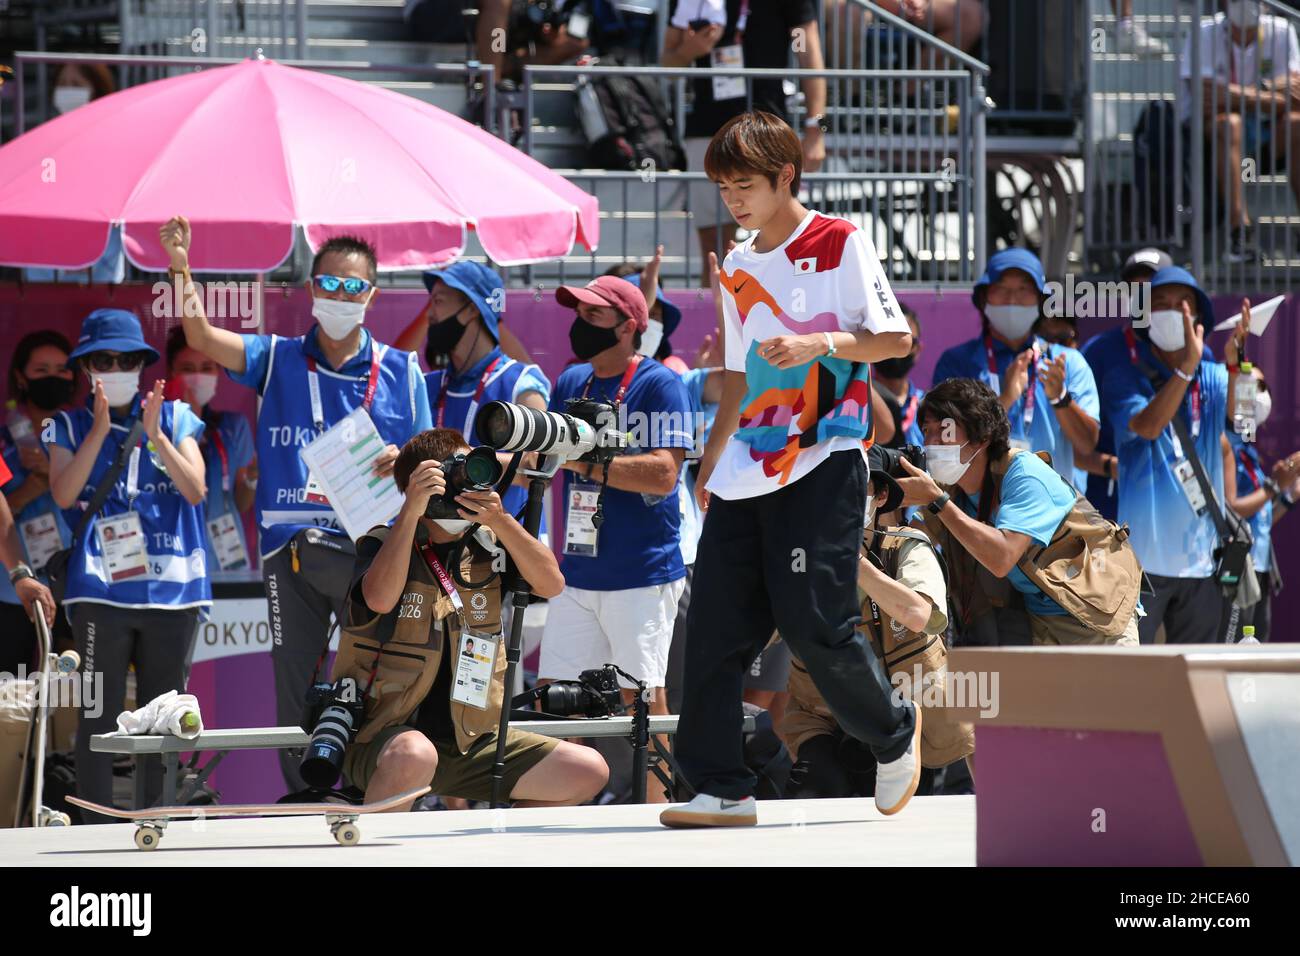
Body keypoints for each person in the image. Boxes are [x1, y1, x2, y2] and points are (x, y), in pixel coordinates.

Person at [664, 110, 920, 828]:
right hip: (749, 467)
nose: (734, 200)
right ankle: (721, 786)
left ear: (787, 177)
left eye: (744, 185)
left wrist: (821, 344)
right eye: (722, 188)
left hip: (825, 461)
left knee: (816, 625)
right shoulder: (738, 264)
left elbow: (894, 338)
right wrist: (712, 466)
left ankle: (894, 731)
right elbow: (740, 377)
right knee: (713, 632)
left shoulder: (840, 241)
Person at [161, 216, 433, 792]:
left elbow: (433, 458)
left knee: (377, 679)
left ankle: (369, 790)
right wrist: (182, 266)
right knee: (296, 682)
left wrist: (402, 458)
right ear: (312, 290)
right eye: (328, 284)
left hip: (374, 549)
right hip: (295, 550)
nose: (339, 295)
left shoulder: (404, 371)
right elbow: (202, 337)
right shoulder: (279, 356)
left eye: (351, 286)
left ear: (371, 295)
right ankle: (306, 794)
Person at [336, 427, 608, 810]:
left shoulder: (487, 542)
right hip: (385, 739)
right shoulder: (384, 543)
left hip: (470, 741)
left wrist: (499, 520)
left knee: (585, 769)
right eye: (455, 471)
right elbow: (379, 599)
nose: (468, 479)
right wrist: (411, 511)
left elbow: (551, 584)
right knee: (416, 754)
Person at [46, 309, 210, 821]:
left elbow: (196, 489)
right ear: (85, 367)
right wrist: (97, 431)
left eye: (125, 360)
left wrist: (156, 434)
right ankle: (93, 826)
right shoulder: (68, 425)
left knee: (165, 716)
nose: (114, 368)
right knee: (98, 714)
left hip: (174, 590)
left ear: (142, 365)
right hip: (100, 591)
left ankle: (155, 823)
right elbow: (64, 493)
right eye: (102, 359)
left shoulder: (177, 416)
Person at [537, 274, 694, 803]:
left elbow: (664, 475)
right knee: (554, 699)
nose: (580, 326)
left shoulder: (659, 385)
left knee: (643, 700)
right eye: (578, 314)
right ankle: (556, 816)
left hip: (641, 573)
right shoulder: (570, 382)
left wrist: (588, 463)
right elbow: (547, 457)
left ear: (629, 327)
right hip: (576, 572)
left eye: (594, 317)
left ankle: (657, 813)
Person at [782, 445, 972, 799]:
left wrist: (854, 563)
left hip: (912, 724)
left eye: (857, 487)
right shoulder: (801, 556)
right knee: (814, 789)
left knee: (902, 827)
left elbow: (918, 615)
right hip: (825, 718)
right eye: (832, 487)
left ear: (881, 496)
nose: (843, 498)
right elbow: (763, 634)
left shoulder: (908, 547)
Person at [898, 377, 1143, 647]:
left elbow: (1002, 557)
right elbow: (913, 536)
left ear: (982, 435)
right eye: (926, 430)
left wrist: (937, 502)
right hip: (1042, 623)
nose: (931, 442)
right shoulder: (949, 489)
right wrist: (884, 500)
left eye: (944, 430)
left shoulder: (1024, 473)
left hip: (1098, 615)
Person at [1100, 266, 1237, 644]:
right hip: (1140, 567)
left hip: (1203, 566)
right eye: (1160, 304)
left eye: (1182, 304)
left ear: (1198, 318)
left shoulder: (1215, 376)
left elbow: (1248, 424)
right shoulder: (1125, 377)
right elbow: (1146, 427)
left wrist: (1238, 364)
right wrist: (1184, 369)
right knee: (1128, 684)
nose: (1172, 311)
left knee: (1196, 685)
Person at [662, 0, 827, 286]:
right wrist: (690, 51)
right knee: (716, 257)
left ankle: (784, 320)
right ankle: (721, 327)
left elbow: (806, 49)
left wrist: (816, 127)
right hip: (708, 130)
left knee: (781, 244)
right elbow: (667, 65)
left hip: (767, 131)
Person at [932, 248, 1100, 492]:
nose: (1012, 299)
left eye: (1023, 289)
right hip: (979, 511)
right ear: (984, 298)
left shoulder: (1068, 361)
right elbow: (944, 447)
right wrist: (1003, 401)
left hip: (1054, 513)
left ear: (1041, 301)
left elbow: (1086, 444)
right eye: (1001, 288)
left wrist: (1061, 398)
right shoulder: (957, 363)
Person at [411, 261, 551, 531]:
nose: (430, 314)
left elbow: (539, 468)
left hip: (503, 555)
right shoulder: (425, 385)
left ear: (472, 309)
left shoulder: (522, 383)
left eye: (438, 301)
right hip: (437, 549)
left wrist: (456, 460)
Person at [1180, 0, 1300, 263]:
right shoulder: (1203, 31)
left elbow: (1296, 97)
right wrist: (1269, 90)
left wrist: (1231, 94)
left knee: (1296, 123)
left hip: (1266, 137)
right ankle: (1240, 233)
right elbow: (1205, 98)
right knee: (1229, 123)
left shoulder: (1282, 30)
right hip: (1215, 141)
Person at [1079, 247, 1175, 521]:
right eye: (1136, 289)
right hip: (1110, 505)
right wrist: (1116, 468)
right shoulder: (1099, 351)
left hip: (1178, 504)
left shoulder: (1195, 355)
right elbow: (1073, 443)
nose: (1143, 297)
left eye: (1152, 287)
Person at [0, 332, 76, 667]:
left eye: (62, 369)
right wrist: (35, 484)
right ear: (21, 376)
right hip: (11, 589)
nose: (53, 378)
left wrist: (58, 475)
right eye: (42, 369)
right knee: (12, 692)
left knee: (74, 691)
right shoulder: (6, 440)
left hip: (73, 585)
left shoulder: (84, 434)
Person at [165, 327, 257, 575]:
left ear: (218, 372)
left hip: (225, 561)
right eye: (187, 369)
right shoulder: (155, 428)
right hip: (175, 558)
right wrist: (187, 421)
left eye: (206, 368)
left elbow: (241, 503)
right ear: (171, 373)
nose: (198, 377)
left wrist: (252, 478)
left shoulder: (233, 427)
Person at [1222, 352, 1300, 642]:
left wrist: (1287, 495)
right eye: (1250, 387)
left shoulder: (1250, 448)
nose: (1259, 395)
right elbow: (1232, 510)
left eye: (1263, 387)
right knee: (1232, 654)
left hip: (1261, 570)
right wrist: (1273, 486)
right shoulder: (1226, 443)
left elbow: (1261, 520)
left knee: (1257, 653)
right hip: (1238, 572)